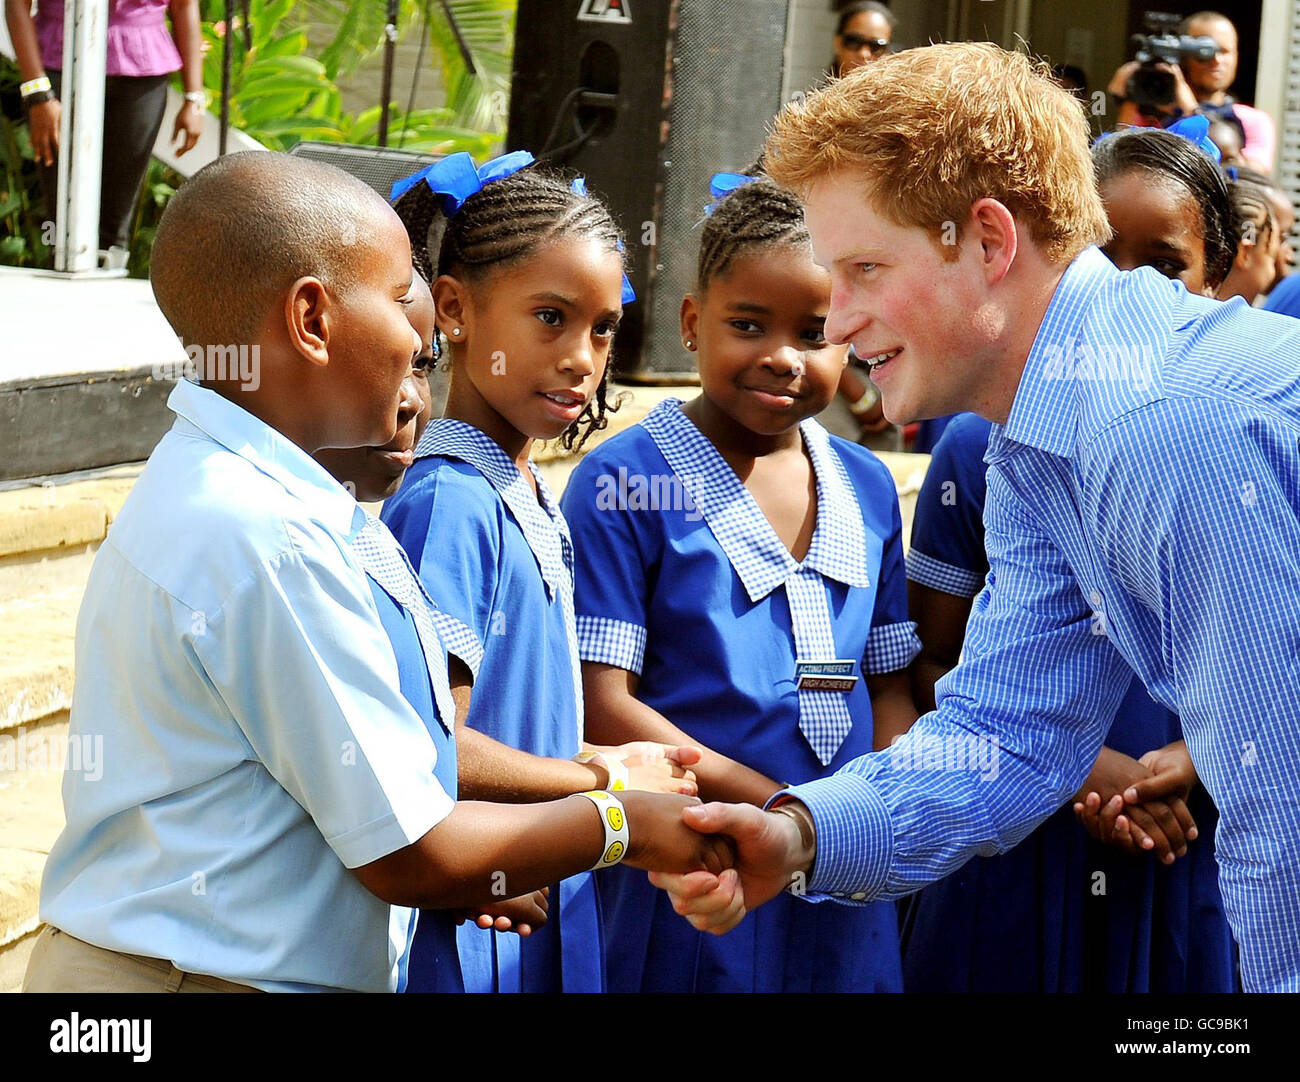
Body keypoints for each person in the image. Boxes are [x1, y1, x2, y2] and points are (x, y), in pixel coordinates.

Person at [653, 42, 1300, 994]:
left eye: (865, 268)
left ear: (991, 242)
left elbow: (1277, 823)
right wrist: (797, 834)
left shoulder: (1159, 427)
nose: (834, 324)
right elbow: (1006, 736)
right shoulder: (1045, 440)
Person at [22, 151, 730, 994]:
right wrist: (623, 819)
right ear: (313, 319)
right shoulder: (267, 534)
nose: (419, 333)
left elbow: (400, 768)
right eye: (402, 300)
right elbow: (413, 850)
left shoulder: (255, 494)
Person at [561, 173, 919, 992]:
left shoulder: (866, 485)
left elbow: (891, 685)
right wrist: (775, 807)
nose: (783, 357)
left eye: (816, 331)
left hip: (844, 875)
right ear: (692, 323)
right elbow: (602, 704)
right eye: (748, 325)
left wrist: (880, 807)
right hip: (694, 864)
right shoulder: (625, 481)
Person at [900, 126, 1239, 992]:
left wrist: (1199, 761)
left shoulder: (1259, 453)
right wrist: (1085, 769)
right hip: (1017, 844)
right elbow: (935, 663)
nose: (1124, 295)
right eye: (1096, 256)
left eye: (1163, 266)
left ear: (1219, 280)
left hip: (1199, 842)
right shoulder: (983, 452)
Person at [381, 151, 701, 993]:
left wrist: (604, 758)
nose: (581, 356)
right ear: (453, 308)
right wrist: (604, 779)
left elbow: (515, 722)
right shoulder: (449, 501)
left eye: (602, 328)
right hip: (479, 921)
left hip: (536, 890)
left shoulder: (518, 485)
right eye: (550, 317)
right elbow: (430, 748)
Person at [4, 0, 205, 266]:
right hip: (58, 64)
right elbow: (16, 4)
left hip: (142, 71)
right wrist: (37, 93)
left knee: (117, 212)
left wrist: (194, 97)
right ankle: (54, 269)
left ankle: (108, 277)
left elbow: (184, 6)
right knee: (58, 207)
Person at [821, 1, 900, 452]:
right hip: (833, 354)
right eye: (855, 42)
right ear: (837, 43)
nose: (865, 54)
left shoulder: (898, 125)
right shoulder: (810, 118)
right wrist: (855, 390)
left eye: (877, 45)